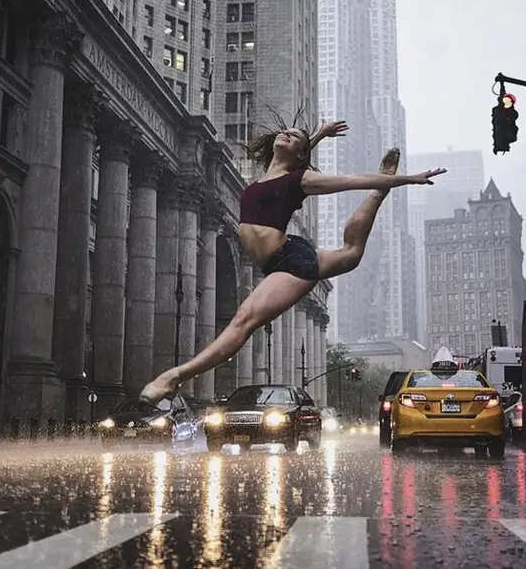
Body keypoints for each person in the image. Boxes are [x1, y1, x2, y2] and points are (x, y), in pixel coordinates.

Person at [139, 119, 446, 405]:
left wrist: (410, 179)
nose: (288, 134)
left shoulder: (300, 179)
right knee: (349, 253)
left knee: (243, 321)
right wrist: (318, 135)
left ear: (300, 154)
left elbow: (353, 179)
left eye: (296, 137)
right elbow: (296, 150)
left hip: (290, 261)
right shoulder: (268, 177)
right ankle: (380, 191)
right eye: (288, 132)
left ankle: (173, 377)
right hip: (279, 260)